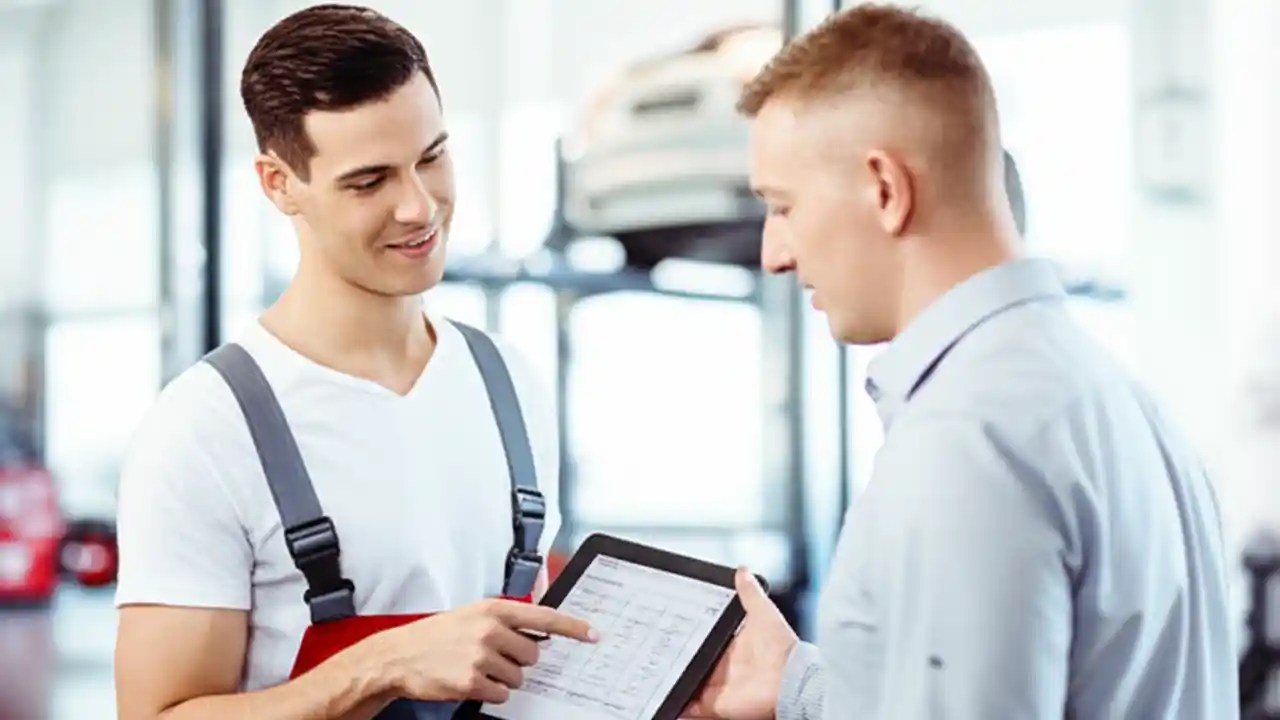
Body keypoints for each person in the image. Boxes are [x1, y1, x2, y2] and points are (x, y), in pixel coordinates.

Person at [686, 5, 1239, 719]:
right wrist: (802, 685)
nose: (774, 255)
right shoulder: (1110, 394)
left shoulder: (965, 439)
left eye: (783, 207)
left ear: (885, 189)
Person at [112, 6, 595, 719]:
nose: (418, 207)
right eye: (369, 182)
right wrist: (383, 666)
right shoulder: (206, 427)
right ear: (279, 184)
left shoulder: (509, 383)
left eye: (432, 156)